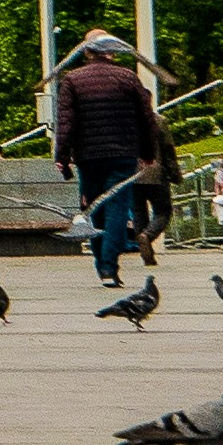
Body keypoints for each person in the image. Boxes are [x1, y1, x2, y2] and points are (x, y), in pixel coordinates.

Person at [49, 33, 162, 286]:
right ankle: (110, 267)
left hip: (88, 157)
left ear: (87, 52)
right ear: (112, 52)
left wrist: (62, 156)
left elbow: (65, 122)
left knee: (93, 209)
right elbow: (147, 120)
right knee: (118, 209)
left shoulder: (72, 80)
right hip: (122, 154)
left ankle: (102, 266)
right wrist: (147, 154)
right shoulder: (128, 78)